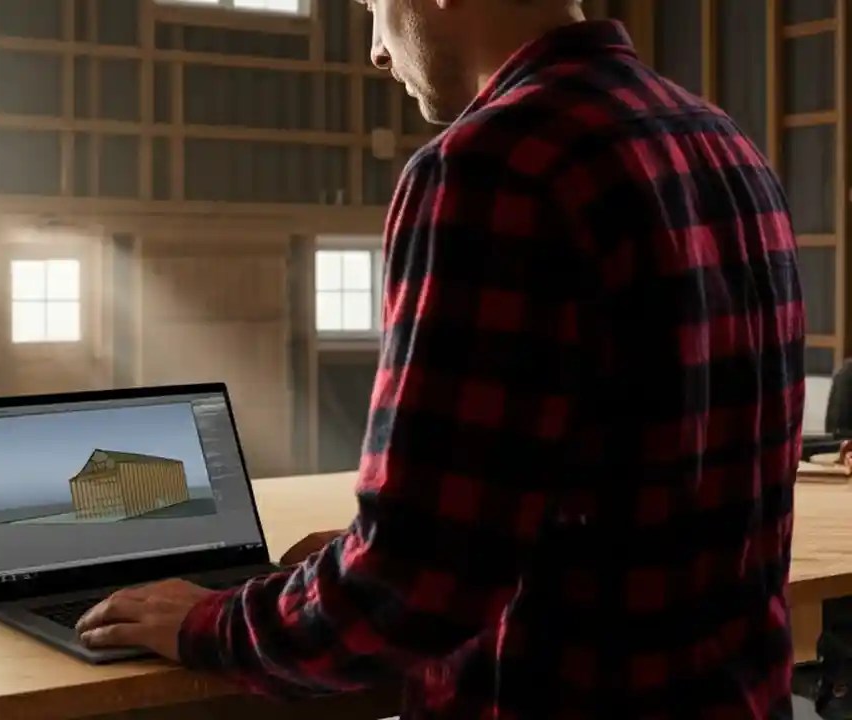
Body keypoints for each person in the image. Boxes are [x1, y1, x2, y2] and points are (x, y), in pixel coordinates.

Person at [76, 0, 806, 716]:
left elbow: (413, 589)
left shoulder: (493, 167)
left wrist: (206, 622)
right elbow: (633, 484)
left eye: (372, 8)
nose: (377, 49)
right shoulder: (723, 144)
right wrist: (369, 549)